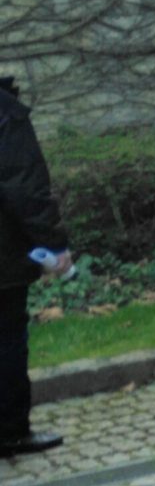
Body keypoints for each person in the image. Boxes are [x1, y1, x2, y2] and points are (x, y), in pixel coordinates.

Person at [1, 75, 73, 458]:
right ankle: (10, 431)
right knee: (8, 341)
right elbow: (25, 188)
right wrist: (54, 242)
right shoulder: (5, 116)